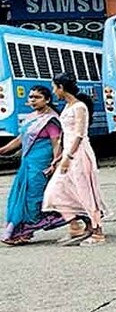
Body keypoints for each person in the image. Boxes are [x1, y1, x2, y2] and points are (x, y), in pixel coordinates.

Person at [42, 72, 109, 246]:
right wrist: (59, 157)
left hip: (79, 154)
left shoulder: (79, 107)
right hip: (69, 153)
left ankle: (97, 231)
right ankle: (78, 225)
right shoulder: (67, 106)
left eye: (54, 87)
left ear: (61, 88)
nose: (54, 91)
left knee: (84, 190)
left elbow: (79, 135)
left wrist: (68, 157)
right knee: (54, 192)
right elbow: (66, 134)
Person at [0, 85, 67, 245]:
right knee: (20, 197)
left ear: (47, 100)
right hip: (27, 163)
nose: (32, 100)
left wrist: (56, 163)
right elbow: (21, 140)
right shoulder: (31, 117)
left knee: (33, 198)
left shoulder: (50, 120)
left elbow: (56, 143)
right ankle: (21, 232)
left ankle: (26, 231)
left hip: (41, 164)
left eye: (37, 97)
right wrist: (3, 150)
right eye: (31, 97)